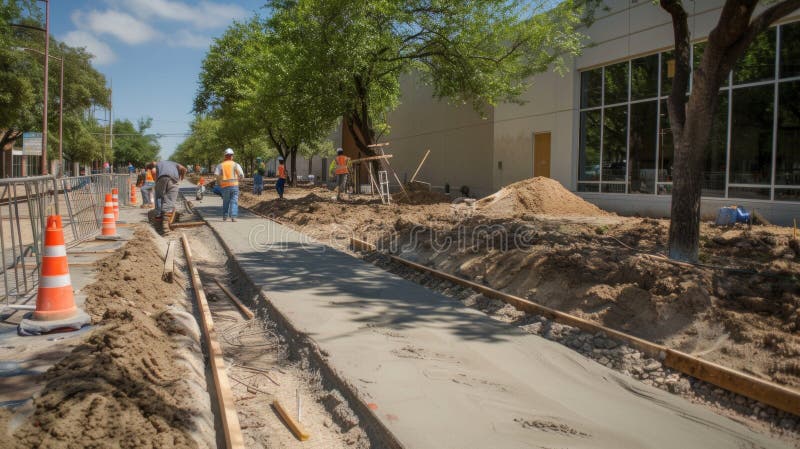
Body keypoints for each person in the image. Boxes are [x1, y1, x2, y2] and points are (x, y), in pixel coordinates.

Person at [215, 148, 244, 221]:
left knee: (226, 201)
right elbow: (241, 175)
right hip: (234, 186)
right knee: (234, 201)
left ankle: (225, 216)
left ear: (225, 156)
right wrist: (238, 181)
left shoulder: (220, 165)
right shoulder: (236, 165)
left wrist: (219, 183)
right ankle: (233, 217)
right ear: (232, 156)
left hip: (224, 186)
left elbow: (216, 175)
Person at [154, 160, 187, 224]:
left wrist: (156, 183)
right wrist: (182, 177)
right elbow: (184, 169)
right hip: (174, 178)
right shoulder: (175, 163)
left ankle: (159, 215)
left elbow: (154, 172)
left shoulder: (158, 164)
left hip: (162, 177)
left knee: (159, 196)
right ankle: (167, 212)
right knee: (171, 197)